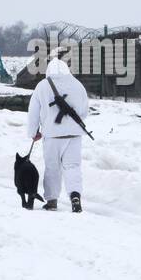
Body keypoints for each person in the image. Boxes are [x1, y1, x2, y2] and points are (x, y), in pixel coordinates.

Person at [27, 55, 89, 212]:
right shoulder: (77, 85)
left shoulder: (42, 85)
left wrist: (33, 132)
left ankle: (52, 201)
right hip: (74, 135)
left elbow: (33, 111)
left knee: (52, 167)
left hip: (52, 136)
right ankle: (75, 196)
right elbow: (83, 111)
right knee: (73, 166)